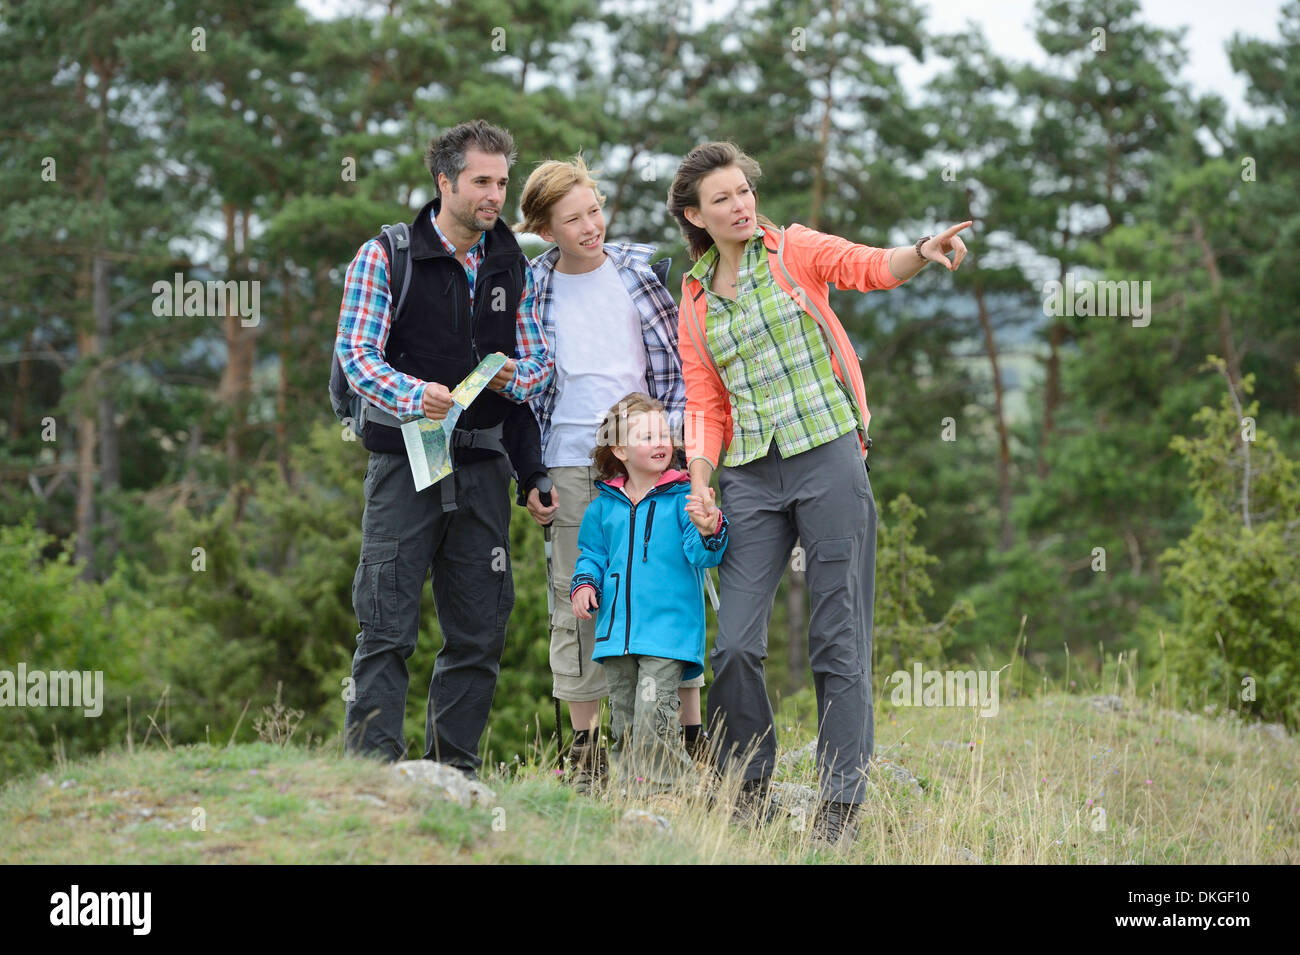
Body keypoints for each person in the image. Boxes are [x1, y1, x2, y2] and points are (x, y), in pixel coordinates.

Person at [667, 141, 970, 843]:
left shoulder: (794, 249)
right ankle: (747, 788)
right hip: (747, 475)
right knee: (734, 645)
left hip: (828, 456)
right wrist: (702, 483)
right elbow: (705, 399)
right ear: (695, 215)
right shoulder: (695, 295)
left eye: (744, 191)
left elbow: (867, 266)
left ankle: (838, 807)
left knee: (838, 636)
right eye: (723, 198)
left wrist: (921, 250)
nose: (741, 204)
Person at [336, 119, 557, 772]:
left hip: (485, 459)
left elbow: (540, 361)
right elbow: (356, 353)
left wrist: (523, 374)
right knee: (385, 622)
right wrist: (412, 395)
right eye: (481, 181)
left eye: (502, 182)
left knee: (479, 629)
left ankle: (452, 774)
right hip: (408, 456)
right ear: (445, 182)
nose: (495, 195)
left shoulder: (511, 260)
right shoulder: (387, 254)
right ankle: (372, 771)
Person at [515, 155, 708, 793]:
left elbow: (678, 366)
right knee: (579, 599)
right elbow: (519, 386)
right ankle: (589, 750)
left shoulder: (639, 272)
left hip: (649, 456)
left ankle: (688, 736)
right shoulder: (531, 286)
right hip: (571, 459)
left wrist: (674, 450)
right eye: (572, 220)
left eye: (594, 210)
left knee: (671, 589)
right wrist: (529, 471)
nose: (590, 226)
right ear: (546, 230)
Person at [569, 394, 728, 793]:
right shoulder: (603, 507)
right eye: (648, 436)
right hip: (616, 637)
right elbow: (591, 555)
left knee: (654, 715)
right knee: (624, 721)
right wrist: (584, 585)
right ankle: (632, 790)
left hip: (667, 635)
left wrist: (710, 527)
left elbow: (703, 553)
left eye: (665, 434)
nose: (662, 443)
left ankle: (672, 794)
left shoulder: (682, 498)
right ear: (619, 449)